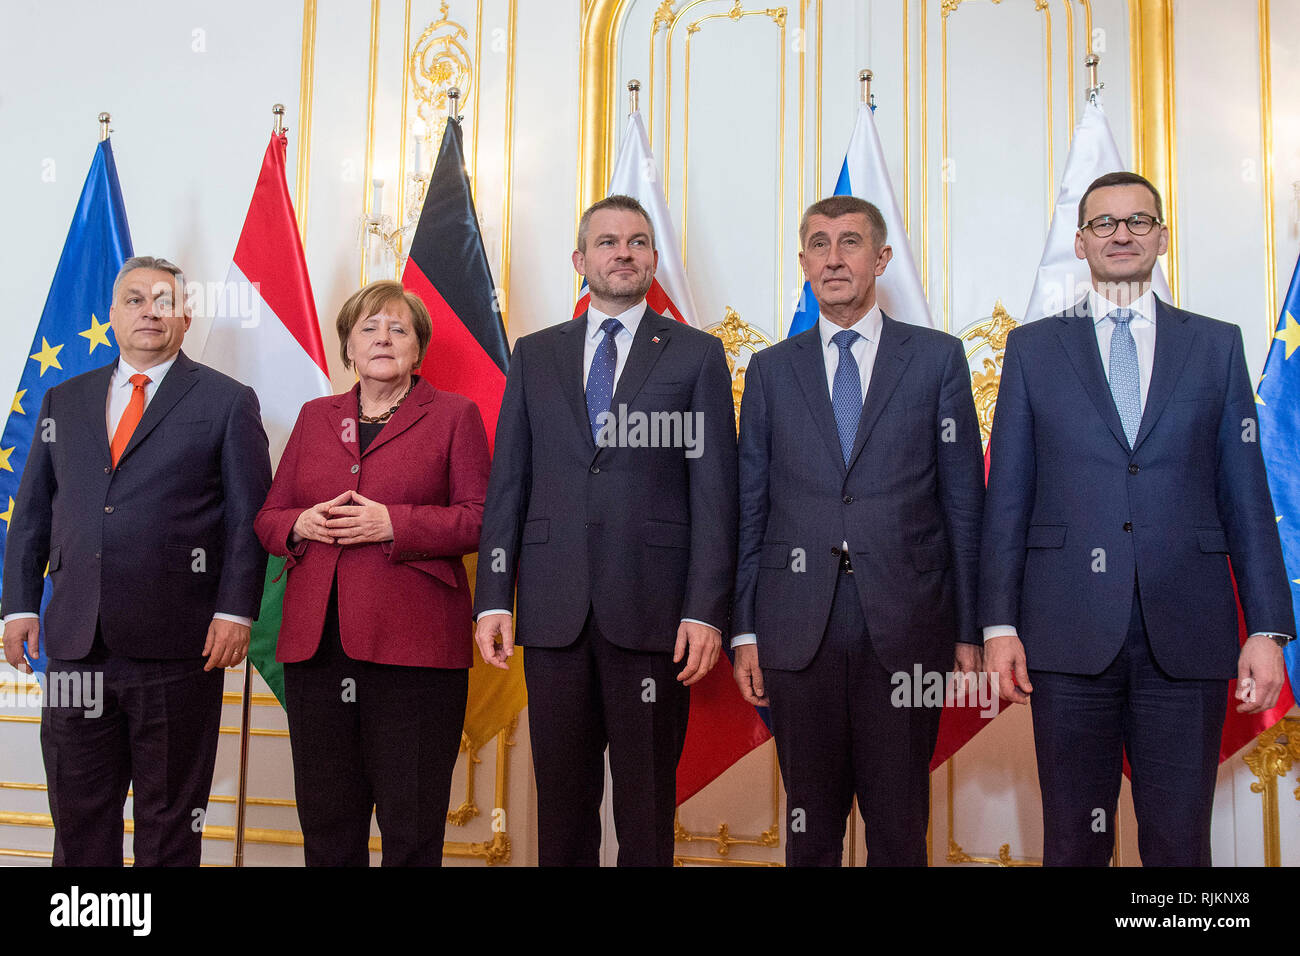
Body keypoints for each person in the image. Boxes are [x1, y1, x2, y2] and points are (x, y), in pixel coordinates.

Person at [980, 171, 1295, 866]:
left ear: (1161, 237)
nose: (1121, 234)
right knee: (1073, 840)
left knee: (1179, 843)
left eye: (1137, 221)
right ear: (1081, 242)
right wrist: (998, 624)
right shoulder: (1034, 349)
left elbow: (1246, 495)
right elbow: (1009, 496)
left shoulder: (1214, 346)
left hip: (1186, 635)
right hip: (1065, 636)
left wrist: (1268, 629)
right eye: (1104, 223)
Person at [473, 195, 738, 866]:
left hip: (654, 614)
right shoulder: (534, 356)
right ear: (580, 260)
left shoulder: (698, 356)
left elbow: (715, 495)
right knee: (562, 807)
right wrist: (494, 598)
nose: (624, 252)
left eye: (638, 241)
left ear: (653, 258)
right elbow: (509, 485)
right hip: (553, 615)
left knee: (647, 809)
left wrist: (706, 612)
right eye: (608, 241)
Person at [730, 196, 986, 866]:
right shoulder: (770, 370)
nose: (834, 257)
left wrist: (969, 628)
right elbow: (749, 506)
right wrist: (747, 630)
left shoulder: (936, 360)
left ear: (881, 257)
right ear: (803, 262)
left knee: (899, 827)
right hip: (795, 630)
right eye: (819, 243)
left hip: (908, 627)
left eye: (850, 242)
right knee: (810, 829)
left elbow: (963, 501)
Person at [1, 256, 271, 866]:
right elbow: (34, 513)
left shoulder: (228, 402)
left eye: (163, 300)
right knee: (79, 816)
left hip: (179, 646)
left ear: (185, 314)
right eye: (134, 299)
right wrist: (18, 606)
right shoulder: (62, 401)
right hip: (73, 642)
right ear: (113, 314)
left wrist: (236, 611)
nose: (149, 311)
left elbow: (247, 520)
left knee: (170, 820)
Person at [254, 280, 489, 867]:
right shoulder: (314, 417)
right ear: (348, 348)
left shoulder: (455, 415)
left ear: (419, 347)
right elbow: (267, 519)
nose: (383, 338)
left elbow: (481, 519)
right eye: (368, 328)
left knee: (410, 830)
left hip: (415, 652)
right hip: (318, 649)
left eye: (398, 329)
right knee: (328, 826)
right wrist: (300, 523)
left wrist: (394, 524)